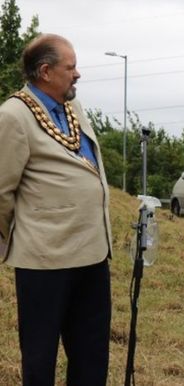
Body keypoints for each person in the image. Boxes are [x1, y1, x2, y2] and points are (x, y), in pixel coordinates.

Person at [0, 34, 113, 385]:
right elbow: (1, 191)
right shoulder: (12, 116)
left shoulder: (72, 108)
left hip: (91, 254)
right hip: (45, 261)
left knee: (92, 357)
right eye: (71, 67)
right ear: (46, 71)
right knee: (40, 358)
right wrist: (26, 235)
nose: (77, 74)